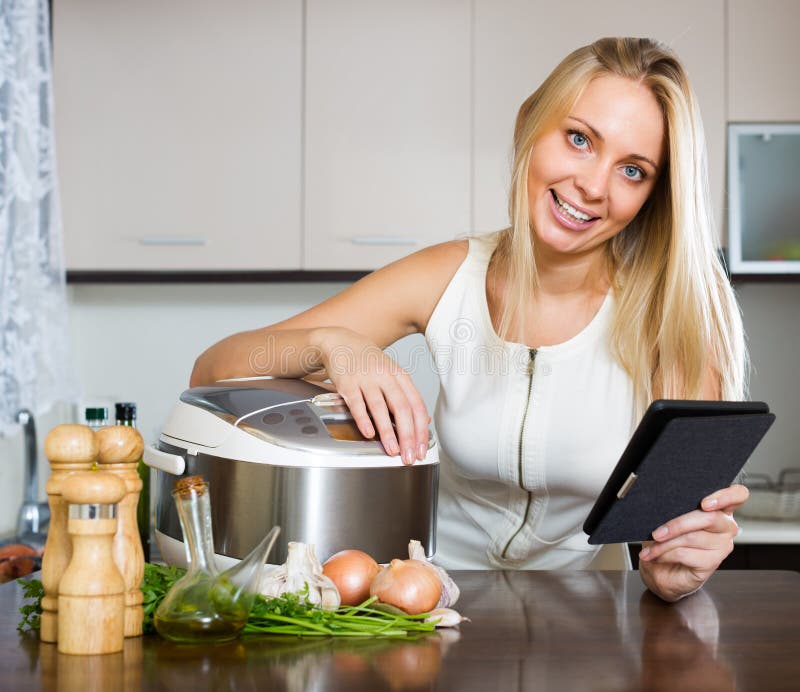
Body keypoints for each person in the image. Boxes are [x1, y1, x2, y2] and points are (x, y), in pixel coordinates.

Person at [191, 37, 749, 602]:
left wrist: (678, 573)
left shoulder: (673, 319)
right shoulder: (448, 274)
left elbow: (680, 541)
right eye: (579, 139)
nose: (593, 186)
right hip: (435, 612)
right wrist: (330, 344)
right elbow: (212, 373)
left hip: (595, 634)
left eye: (632, 170)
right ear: (528, 126)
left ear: (655, 196)